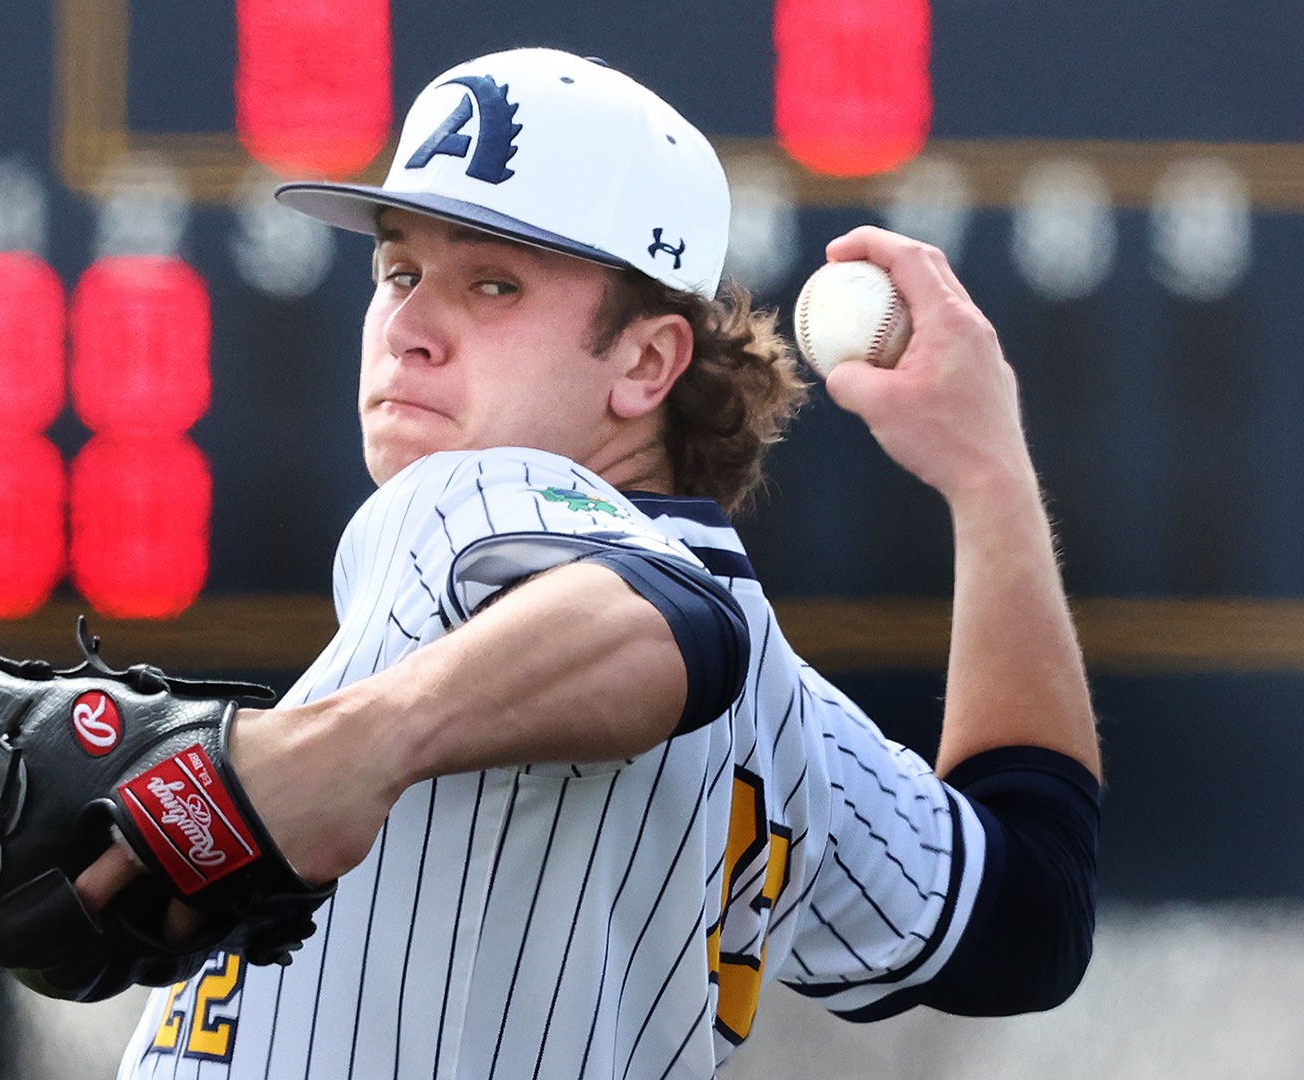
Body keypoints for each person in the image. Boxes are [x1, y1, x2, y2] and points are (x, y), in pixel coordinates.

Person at [79, 46, 1102, 1079]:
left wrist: (337, 750)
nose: (409, 329)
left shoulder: (477, 497)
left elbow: (658, 621)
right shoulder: (786, 711)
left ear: (647, 362)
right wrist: (992, 480)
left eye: (491, 283)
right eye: (399, 269)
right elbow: (1032, 912)